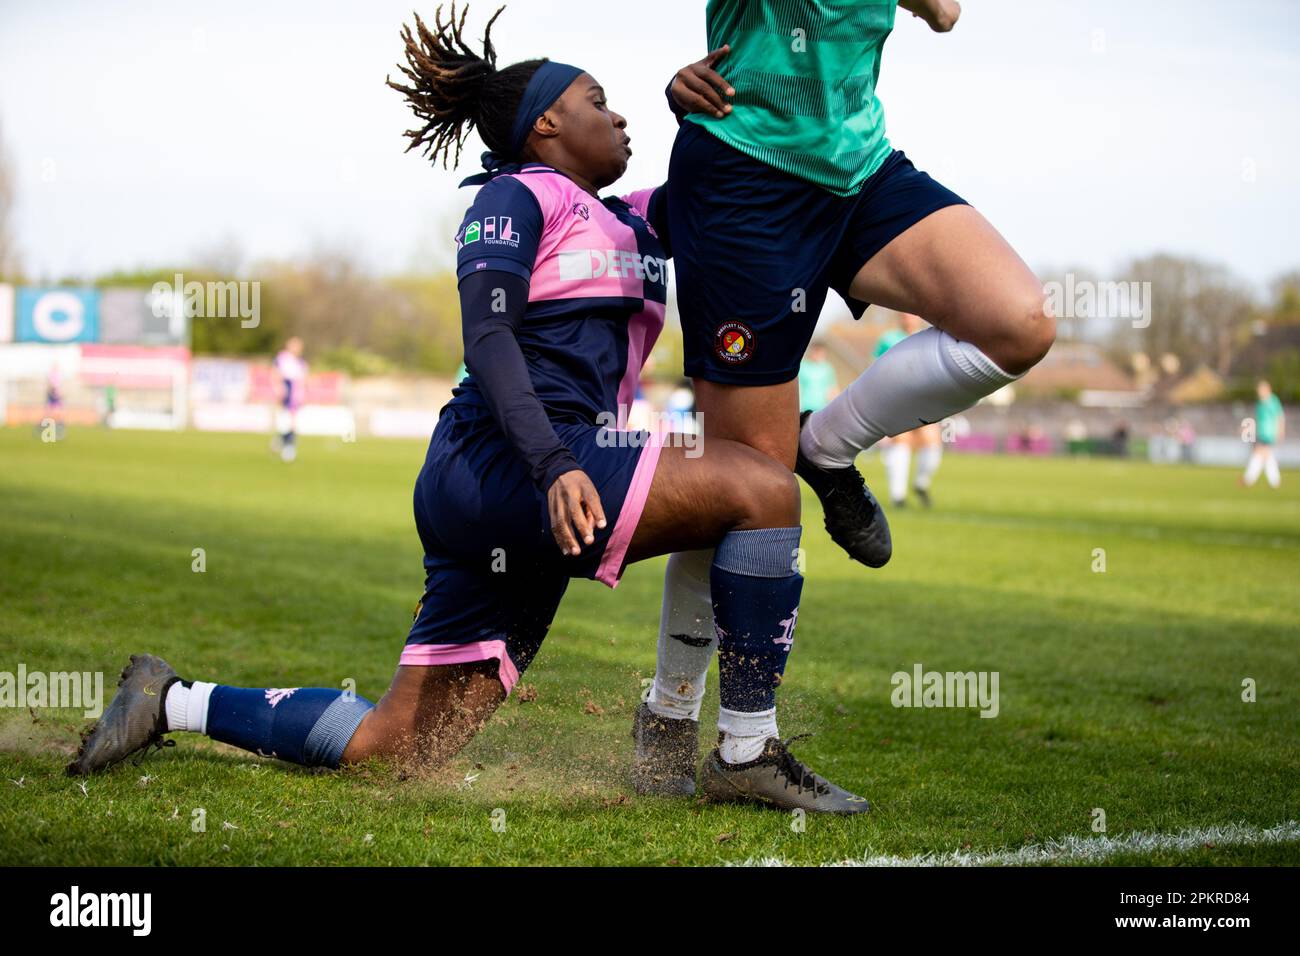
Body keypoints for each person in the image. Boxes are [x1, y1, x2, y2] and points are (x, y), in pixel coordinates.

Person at [66, 5, 868, 815]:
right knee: (764, 489)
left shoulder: (633, 217)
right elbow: (487, 335)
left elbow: (721, 196)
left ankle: (170, 700)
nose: (617, 114)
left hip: (522, 480)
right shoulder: (517, 197)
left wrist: (681, 107)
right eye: (599, 100)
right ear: (548, 122)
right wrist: (552, 463)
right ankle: (743, 747)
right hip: (512, 461)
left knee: (399, 747)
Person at [634, 0, 1055, 793]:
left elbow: (946, 12)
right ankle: (696, 725)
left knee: (1018, 321)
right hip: (744, 171)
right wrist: (672, 85)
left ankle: (824, 446)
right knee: (744, 483)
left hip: (859, 170)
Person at [874, 314, 944, 508]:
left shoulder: (929, 336)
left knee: (932, 442)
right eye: (905, 314)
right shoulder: (888, 339)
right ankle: (898, 496)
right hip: (898, 397)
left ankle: (921, 483)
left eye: (912, 315)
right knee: (901, 441)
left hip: (926, 397)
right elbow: (875, 368)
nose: (908, 318)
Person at [1241, 380, 1285, 488]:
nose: (1259, 392)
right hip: (1261, 433)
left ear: (1267, 389)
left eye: (1261, 389)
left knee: (1260, 453)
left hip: (1270, 433)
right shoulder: (1259, 403)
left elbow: (1280, 417)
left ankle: (1249, 479)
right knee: (1265, 456)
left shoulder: (1273, 401)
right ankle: (1274, 481)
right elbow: (1257, 420)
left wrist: (1280, 432)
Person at [273, 336, 307, 462]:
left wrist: (301, 394)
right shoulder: (282, 358)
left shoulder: (301, 362)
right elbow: (276, 373)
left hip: (295, 392)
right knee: (286, 419)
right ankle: (286, 444)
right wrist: (279, 387)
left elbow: (302, 380)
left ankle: (284, 443)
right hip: (286, 390)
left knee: (292, 421)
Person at [797, 342, 839, 413]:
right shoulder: (802, 366)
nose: (818, 354)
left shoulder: (827, 368)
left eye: (820, 352)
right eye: (816, 351)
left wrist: (835, 406)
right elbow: (798, 387)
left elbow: (832, 388)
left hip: (822, 407)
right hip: (805, 407)